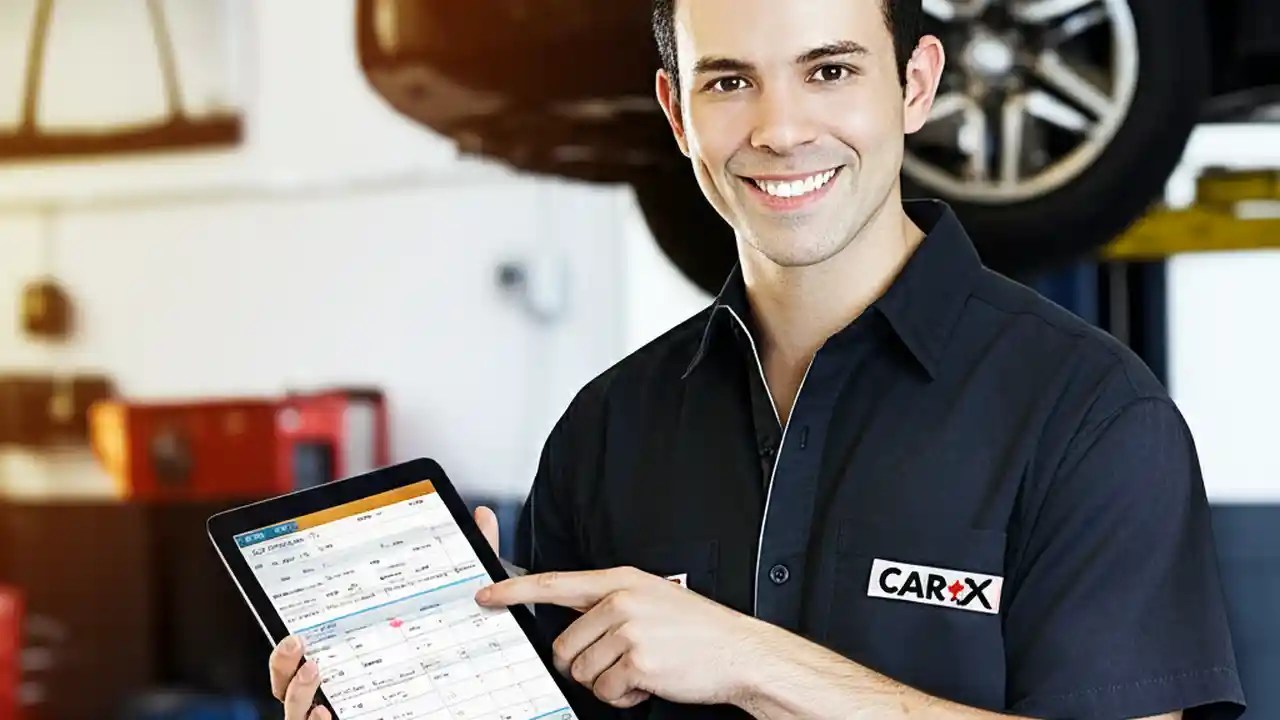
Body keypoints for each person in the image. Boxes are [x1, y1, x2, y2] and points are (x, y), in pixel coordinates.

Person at [269, 0, 1247, 717]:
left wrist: (753, 663)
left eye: (827, 71)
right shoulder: (608, 429)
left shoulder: (1086, 415)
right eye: (728, 81)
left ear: (913, 85)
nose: (779, 130)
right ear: (675, 110)